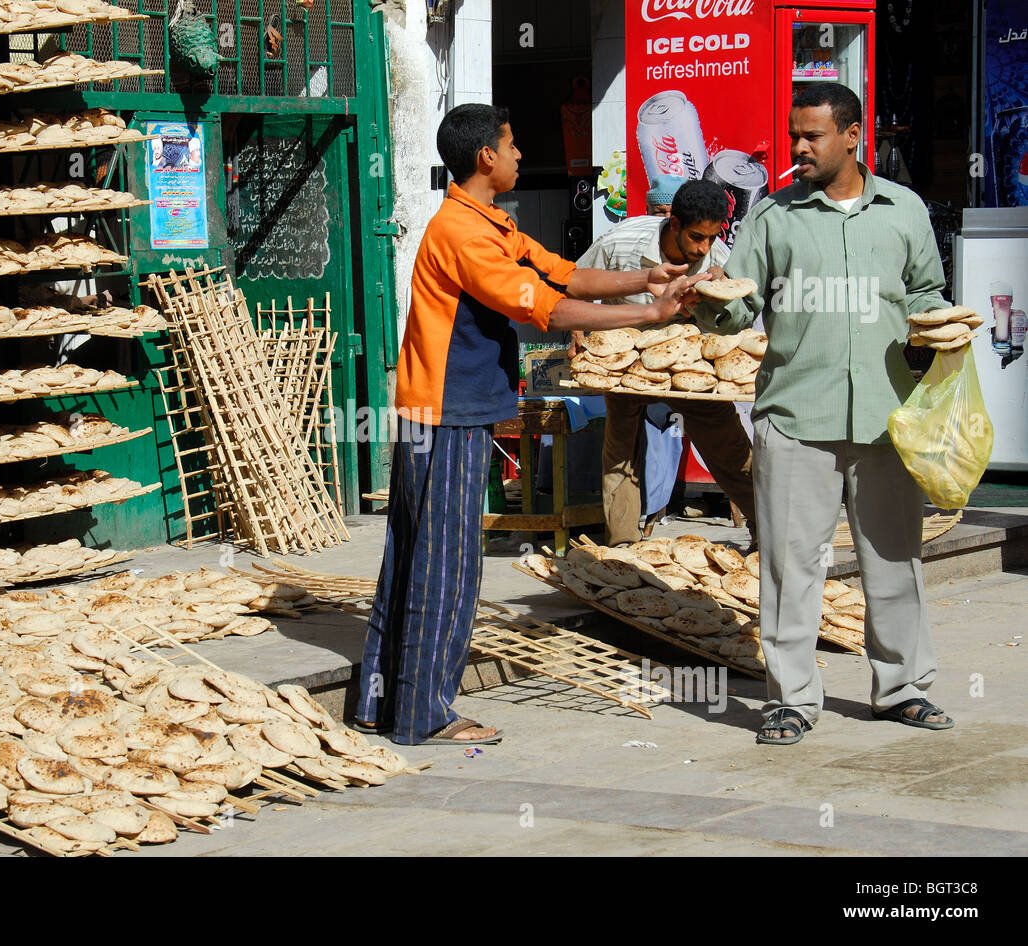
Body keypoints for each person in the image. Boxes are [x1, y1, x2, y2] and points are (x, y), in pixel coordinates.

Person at [355, 104, 705, 746]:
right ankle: (423, 715)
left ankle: (382, 703)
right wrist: (650, 315)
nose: (520, 156)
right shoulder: (464, 235)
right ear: (486, 156)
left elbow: (563, 271)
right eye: (513, 144)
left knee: (413, 555)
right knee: (445, 564)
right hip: (446, 412)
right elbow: (549, 307)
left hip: (439, 409)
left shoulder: (484, 221)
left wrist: (646, 278)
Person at [688, 83, 953, 745]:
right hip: (795, 416)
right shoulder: (773, 217)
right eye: (793, 135)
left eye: (812, 136)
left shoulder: (904, 212)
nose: (797, 148)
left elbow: (926, 295)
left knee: (894, 560)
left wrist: (941, 339)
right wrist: (707, 301)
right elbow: (738, 306)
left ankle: (902, 689)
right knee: (788, 564)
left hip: (888, 418)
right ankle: (791, 697)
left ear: (853, 135)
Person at [568, 179, 757, 549]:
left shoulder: (716, 258)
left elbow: (737, 319)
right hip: (626, 359)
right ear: (674, 224)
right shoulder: (620, 242)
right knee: (620, 451)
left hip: (687, 361)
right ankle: (624, 546)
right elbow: (576, 282)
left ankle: (768, 532)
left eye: (711, 237)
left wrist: (718, 297)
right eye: (697, 237)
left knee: (727, 445)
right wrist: (578, 326)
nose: (704, 247)